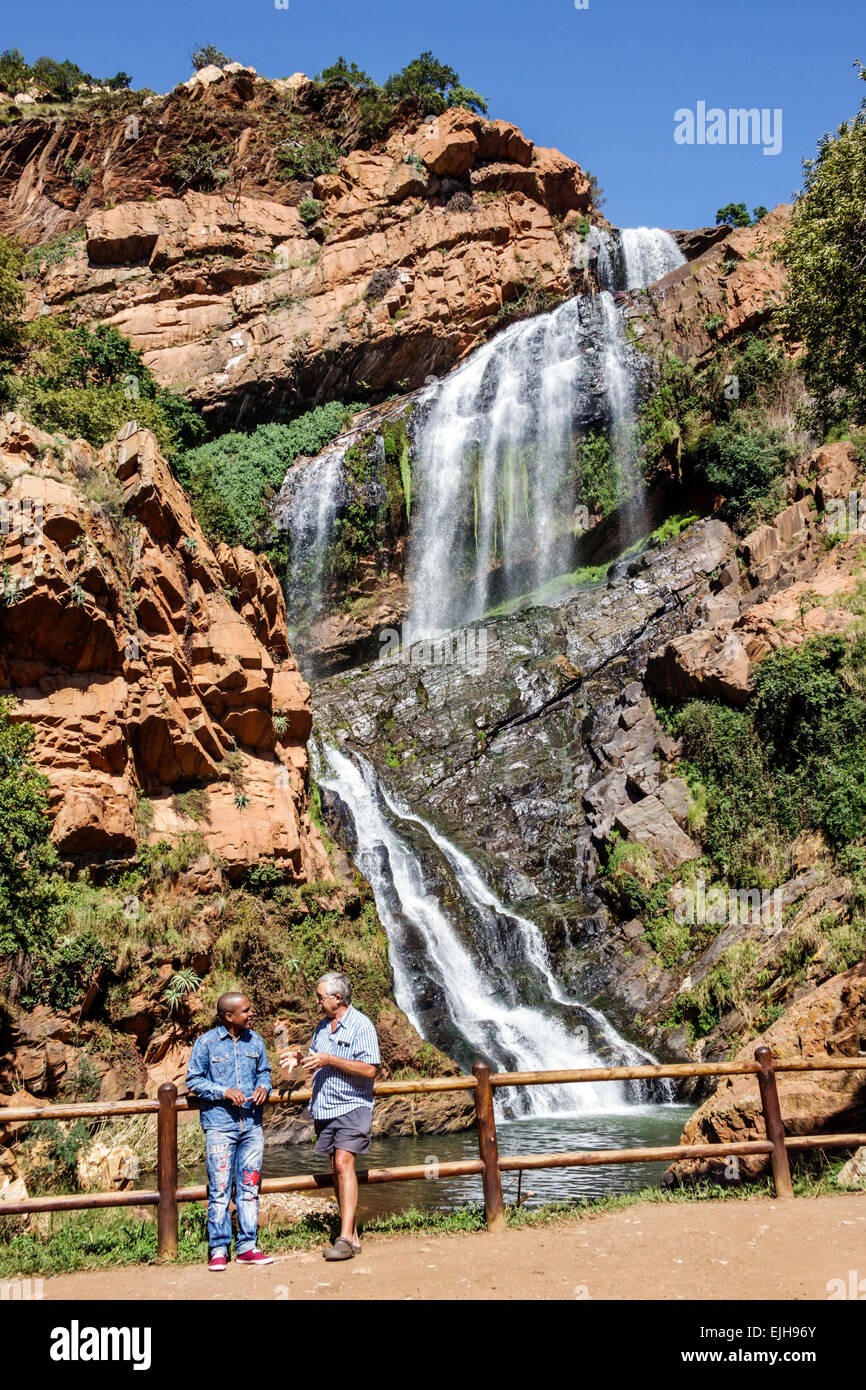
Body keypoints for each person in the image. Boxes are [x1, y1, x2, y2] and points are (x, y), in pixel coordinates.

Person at [280, 972, 380, 1261]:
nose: (317, 1001)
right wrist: (300, 1057)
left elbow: (369, 1069)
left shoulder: (362, 1025)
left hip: (353, 1105)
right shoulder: (323, 1026)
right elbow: (316, 1058)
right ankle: (352, 1234)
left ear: (338, 998)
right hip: (325, 1107)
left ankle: (345, 1237)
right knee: (336, 1169)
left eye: (320, 997)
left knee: (342, 1162)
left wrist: (330, 1060)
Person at [185, 992, 275, 1271]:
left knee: (249, 1187)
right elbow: (194, 1080)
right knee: (220, 1189)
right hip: (219, 1127)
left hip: (251, 1126)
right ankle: (218, 1249)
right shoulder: (206, 1044)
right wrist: (223, 1091)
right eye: (246, 1011)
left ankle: (248, 1247)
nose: (251, 1014)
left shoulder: (256, 1041)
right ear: (228, 1016)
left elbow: (265, 1072)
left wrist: (263, 1087)